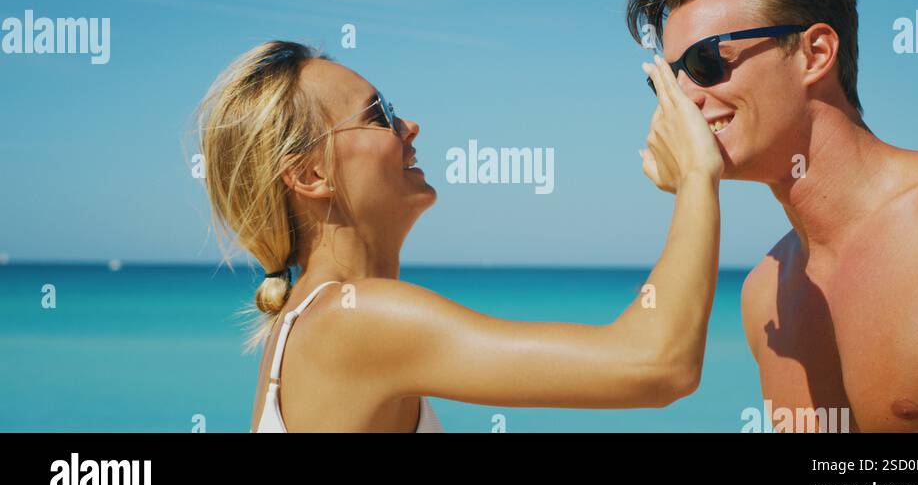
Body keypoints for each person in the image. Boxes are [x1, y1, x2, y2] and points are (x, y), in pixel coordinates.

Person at [197, 40, 724, 432]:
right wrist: (698, 176)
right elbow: (657, 364)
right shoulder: (353, 318)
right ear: (311, 176)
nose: (410, 126)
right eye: (379, 115)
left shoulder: (309, 318)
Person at [627, 0, 918, 431]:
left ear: (815, 54)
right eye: (666, 81)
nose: (683, 100)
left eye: (706, 62)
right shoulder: (765, 291)